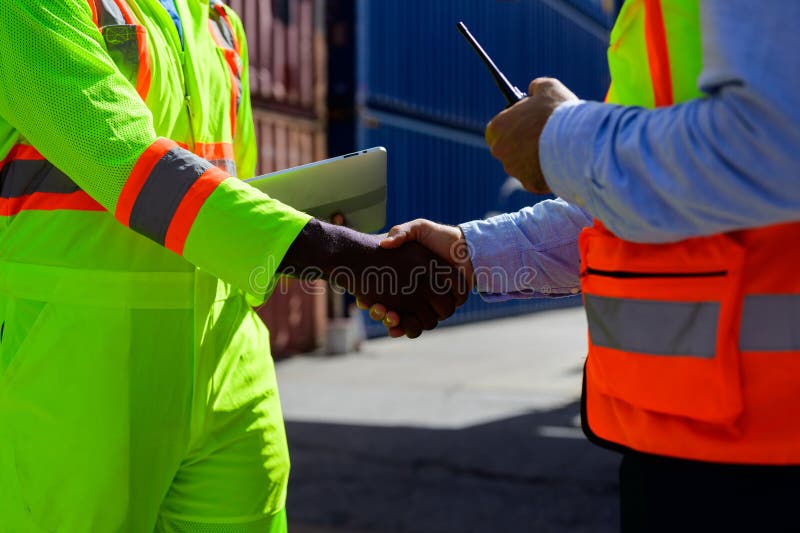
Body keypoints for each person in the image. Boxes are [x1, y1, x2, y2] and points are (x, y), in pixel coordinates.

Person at [0, 1, 464, 531]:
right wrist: (338, 253)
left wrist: (340, 246)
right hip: (76, 368)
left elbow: (233, 187)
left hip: (229, 359)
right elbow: (125, 160)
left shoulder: (219, 19)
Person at [365, 1, 800, 531]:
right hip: (690, 446)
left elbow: (775, 143)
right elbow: (626, 210)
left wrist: (561, 137)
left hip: (768, 455)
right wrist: (466, 252)